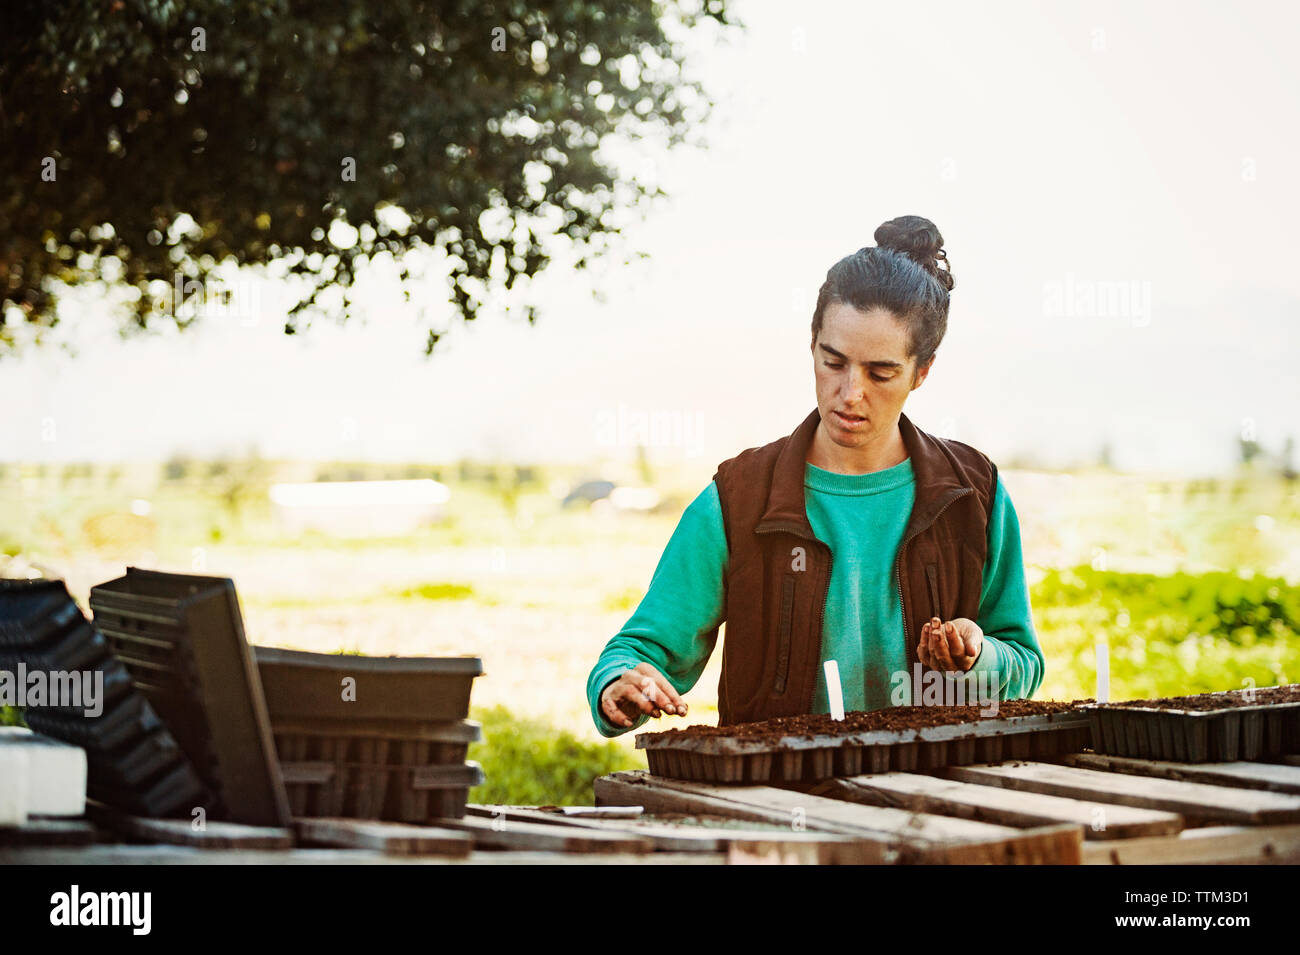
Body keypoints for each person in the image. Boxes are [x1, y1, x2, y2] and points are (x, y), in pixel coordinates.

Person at [586, 215, 1045, 736]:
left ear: (922, 371)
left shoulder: (973, 494)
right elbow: (643, 647)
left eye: (880, 372)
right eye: (834, 362)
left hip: (939, 794)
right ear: (812, 346)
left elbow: (1024, 662)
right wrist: (618, 684)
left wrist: (978, 657)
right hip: (777, 797)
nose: (850, 392)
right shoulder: (739, 499)